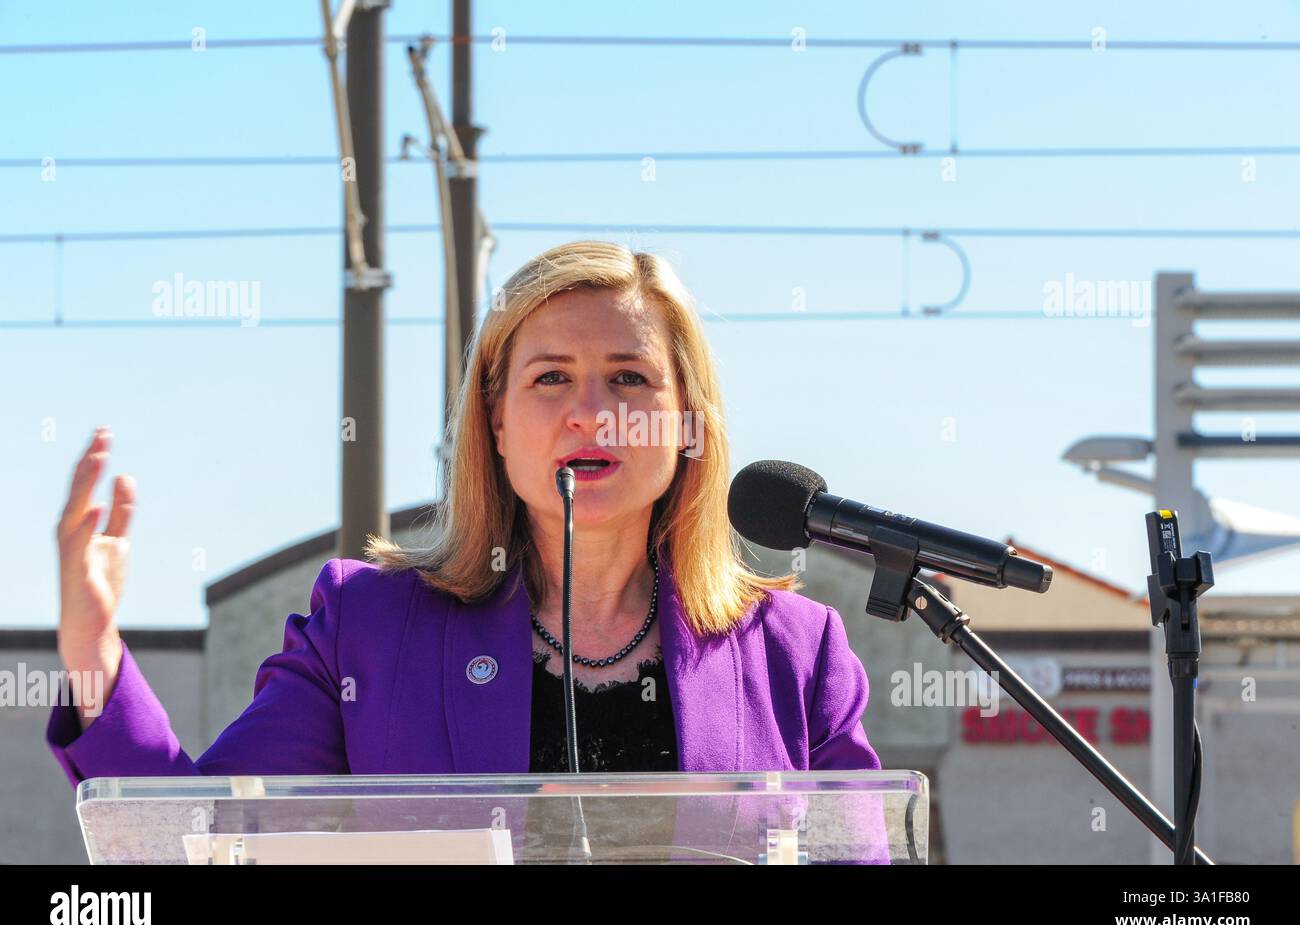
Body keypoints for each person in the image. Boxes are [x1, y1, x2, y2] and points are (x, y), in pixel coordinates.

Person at [48, 240, 882, 794]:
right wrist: (93, 655)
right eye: (550, 378)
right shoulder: (365, 628)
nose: (590, 413)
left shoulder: (795, 652)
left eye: (629, 377)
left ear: (688, 421)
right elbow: (193, 837)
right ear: (494, 423)